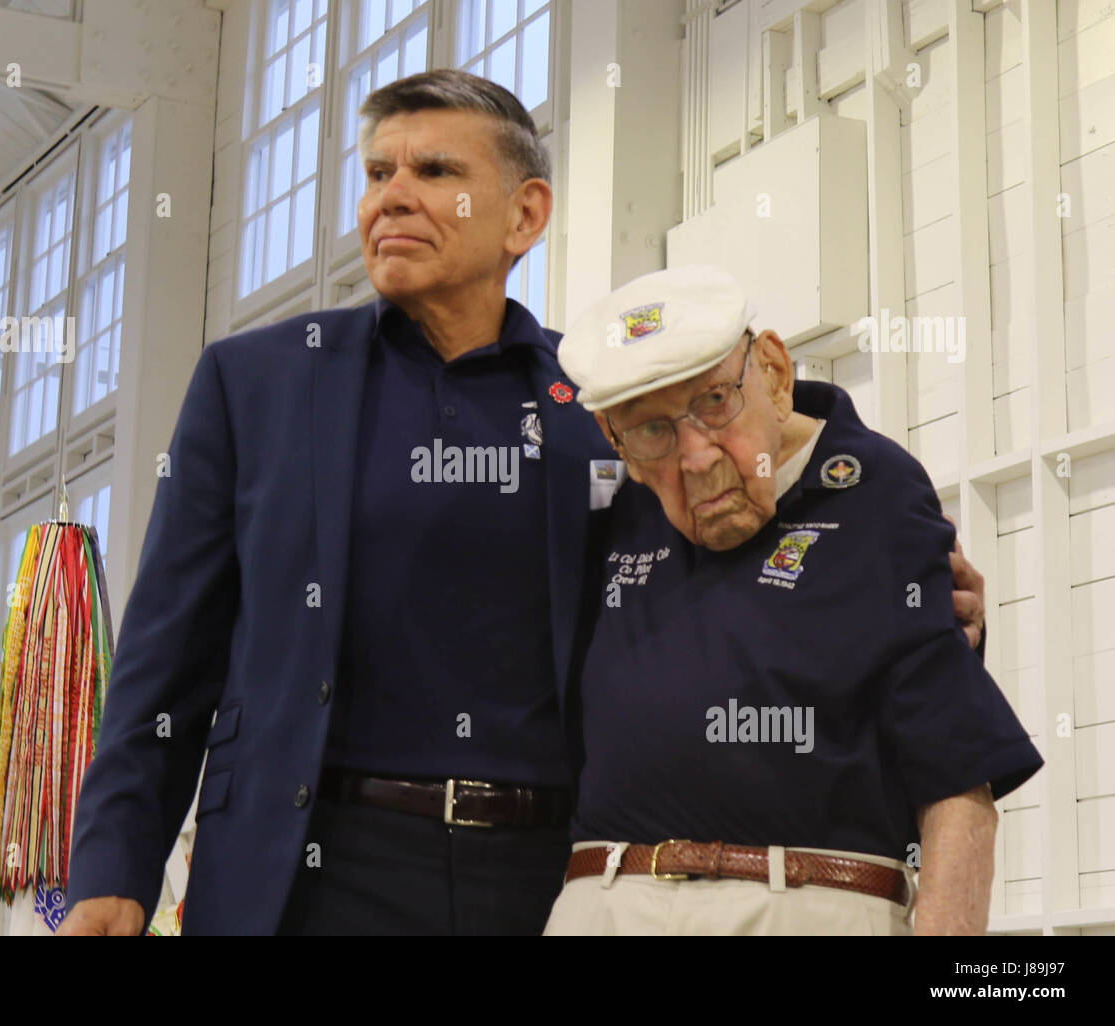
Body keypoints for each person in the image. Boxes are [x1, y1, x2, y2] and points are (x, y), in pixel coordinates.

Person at [60, 71, 987, 936]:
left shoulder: (604, 412)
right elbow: (166, 653)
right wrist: (114, 865)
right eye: (378, 171)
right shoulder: (254, 384)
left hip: (540, 880)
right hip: (305, 866)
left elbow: (728, 547)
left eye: (434, 171)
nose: (392, 195)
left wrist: (901, 592)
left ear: (524, 213)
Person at [543, 265, 1042, 935]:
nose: (694, 457)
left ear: (774, 374)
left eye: (714, 402)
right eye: (653, 431)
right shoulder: (608, 505)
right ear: (616, 441)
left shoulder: (875, 493)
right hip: (603, 904)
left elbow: (958, 784)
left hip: (801, 903)